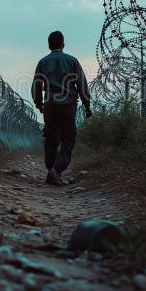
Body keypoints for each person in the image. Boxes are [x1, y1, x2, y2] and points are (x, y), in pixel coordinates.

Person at [31, 30, 92, 186]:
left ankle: (51, 170)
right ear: (63, 45)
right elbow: (82, 85)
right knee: (68, 138)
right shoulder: (72, 61)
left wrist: (39, 104)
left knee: (51, 138)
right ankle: (56, 170)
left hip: (50, 105)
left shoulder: (43, 62)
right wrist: (87, 105)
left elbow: (36, 86)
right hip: (68, 105)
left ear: (49, 46)